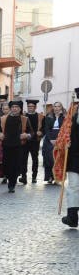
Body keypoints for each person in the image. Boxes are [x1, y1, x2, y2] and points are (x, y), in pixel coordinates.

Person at [54, 89, 79, 227]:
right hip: (75, 156)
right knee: (74, 186)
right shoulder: (72, 112)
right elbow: (65, 130)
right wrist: (65, 142)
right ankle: (72, 217)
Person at [0, 100, 31, 193]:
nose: (14, 109)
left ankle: (12, 185)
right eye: (13, 107)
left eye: (17, 107)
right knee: (7, 166)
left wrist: (26, 135)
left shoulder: (24, 119)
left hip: (19, 146)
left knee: (15, 166)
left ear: (20, 109)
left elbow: (31, 132)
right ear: (10, 108)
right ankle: (9, 178)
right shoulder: (3, 118)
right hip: (6, 146)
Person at [20, 99, 44, 184]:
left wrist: (41, 132)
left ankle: (34, 176)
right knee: (23, 159)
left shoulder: (40, 117)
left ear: (35, 107)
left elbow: (43, 128)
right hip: (25, 141)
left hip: (35, 141)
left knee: (35, 159)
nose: (30, 108)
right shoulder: (23, 116)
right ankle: (24, 176)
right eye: (29, 106)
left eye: (32, 106)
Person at [42, 101, 66, 184]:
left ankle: (57, 177)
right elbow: (46, 129)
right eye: (55, 106)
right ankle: (49, 177)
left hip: (60, 139)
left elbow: (64, 129)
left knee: (58, 159)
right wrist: (51, 139)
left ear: (61, 108)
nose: (56, 108)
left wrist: (59, 139)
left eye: (58, 106)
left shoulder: (65, 117)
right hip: (49, 140)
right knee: (48, 158)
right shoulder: (48, 117)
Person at [0, 102, 10, 182]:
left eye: (7, 109)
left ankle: (10, 175)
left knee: (10, 160)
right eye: (3, 109)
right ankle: (4, 176)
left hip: (11, 142)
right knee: (2, 159)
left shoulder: (14, 118)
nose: (5, 110)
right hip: (2, 142)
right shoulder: (0, 118)